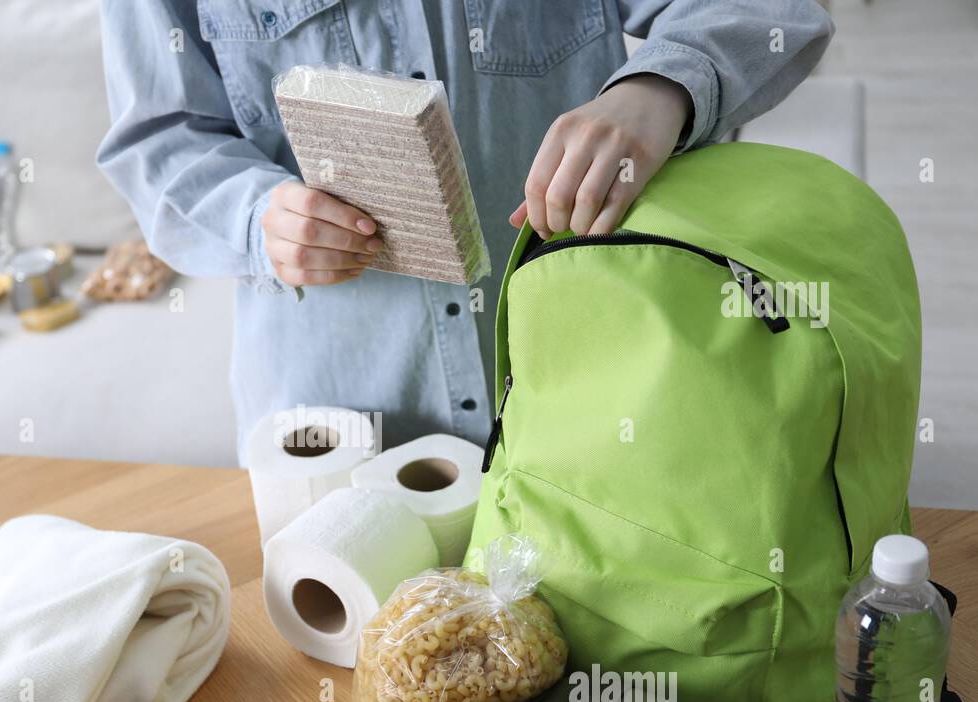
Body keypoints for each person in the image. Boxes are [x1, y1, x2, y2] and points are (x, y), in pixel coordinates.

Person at [96, 0, 833, 459]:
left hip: (592, 401)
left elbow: (776, 10)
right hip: (338, 433)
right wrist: (256, 218)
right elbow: (159, 138)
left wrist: (661, 88)